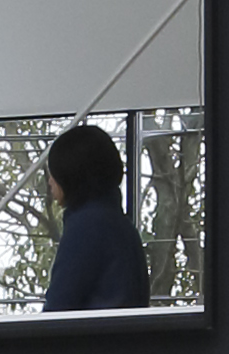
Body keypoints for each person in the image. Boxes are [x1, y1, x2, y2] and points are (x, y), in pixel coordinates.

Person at [40, 123, 150, 314]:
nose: (50, 181)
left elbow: (58, 308)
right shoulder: (118, 224)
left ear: (71, 175)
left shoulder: (87, 227)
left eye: (54, 173)